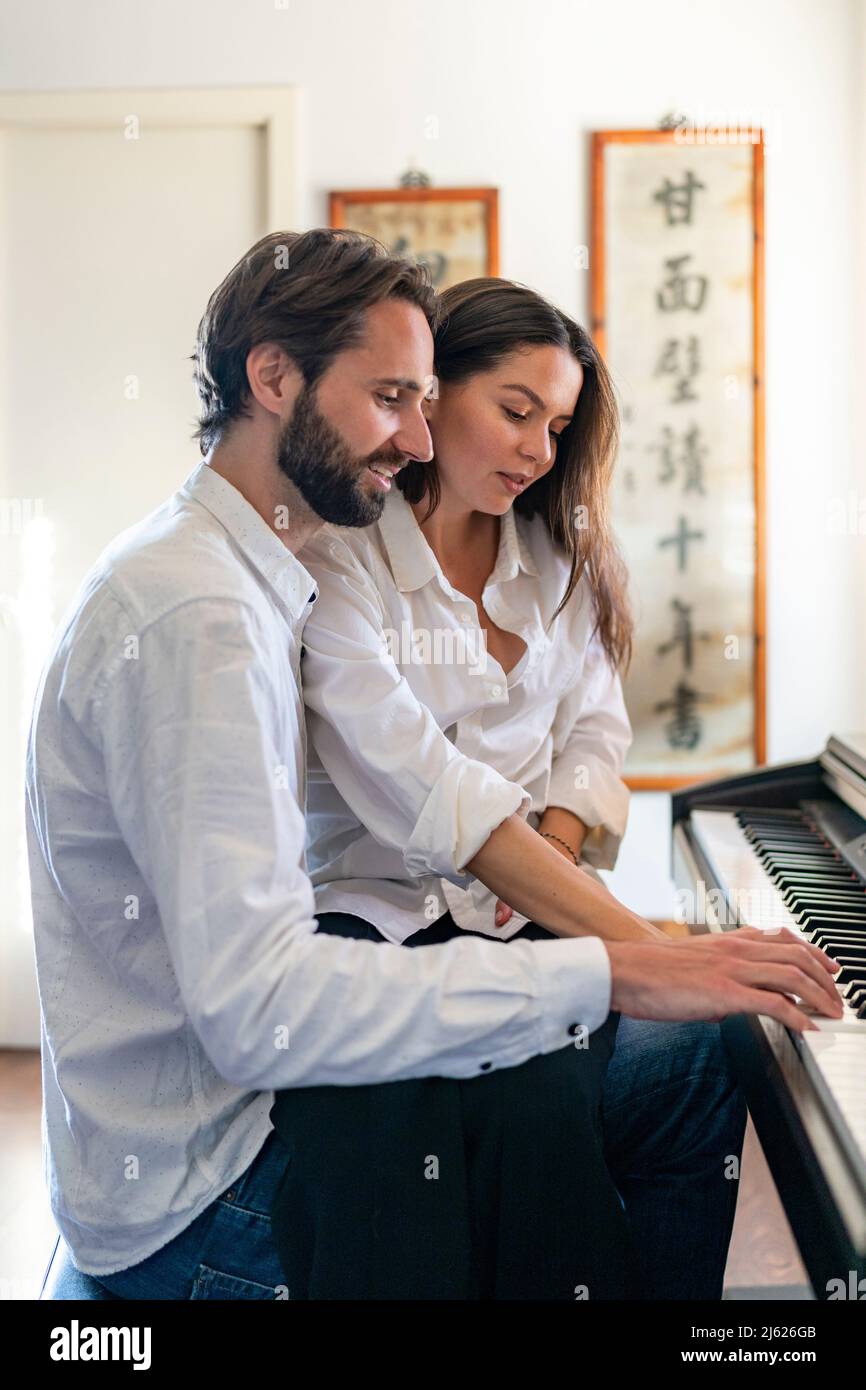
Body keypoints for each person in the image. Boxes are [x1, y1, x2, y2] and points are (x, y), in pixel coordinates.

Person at [25, 228, 842, 1301]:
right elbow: (268, 999)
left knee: (671, 1059)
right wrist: (613, 961)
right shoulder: (201, 614)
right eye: (392, 399)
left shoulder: (252, 572)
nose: (414, 441)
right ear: (273, 376)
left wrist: (602, 946)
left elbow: (584, 742)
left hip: (247, 1093)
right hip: (211, 1180)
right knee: (565, 1093)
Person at [268, 275, 844, 1299]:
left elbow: (592, 728)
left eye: (558, 423)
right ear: (433, 394)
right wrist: (647, 941)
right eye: (516, 410)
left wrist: (560, 843)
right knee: (525, 1116)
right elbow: (421, 779)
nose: (538, 448)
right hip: (375, 918)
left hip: (537, 908)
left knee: (586, 1085)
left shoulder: (560, 559)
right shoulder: (342, 562)